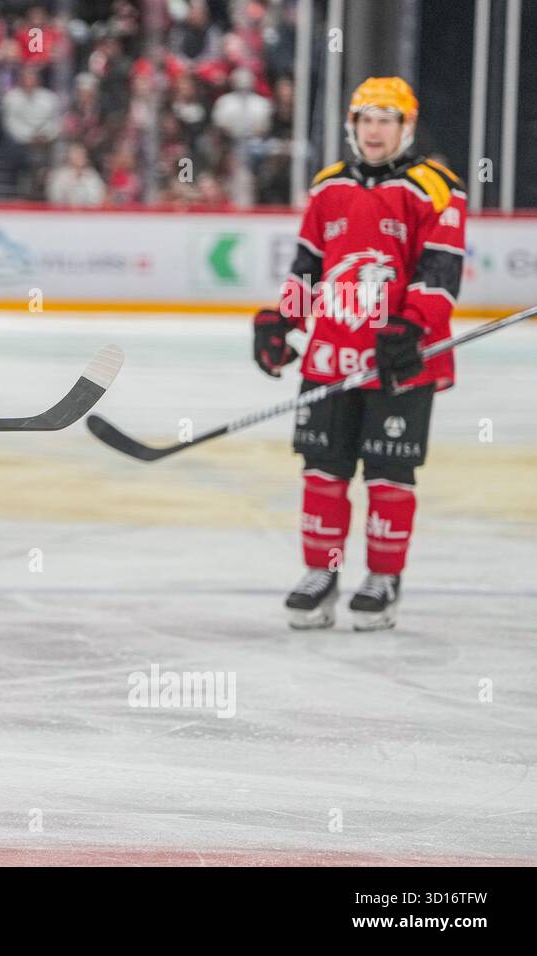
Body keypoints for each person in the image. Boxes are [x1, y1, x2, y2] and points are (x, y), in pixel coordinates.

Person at [252, 77, 465, 631]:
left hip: (402, 358)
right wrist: (282, 319)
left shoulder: (436, 188)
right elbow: (307, 266)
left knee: (389, 471)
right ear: (352, 126)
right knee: (323, 467)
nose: (374, 130)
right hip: (333, 352)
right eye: (365, 119)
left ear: (406, 127)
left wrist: (410, 327)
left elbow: (441, 273)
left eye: (385, 120)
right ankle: (320, 574)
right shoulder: (328, 186)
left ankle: (383, 579)